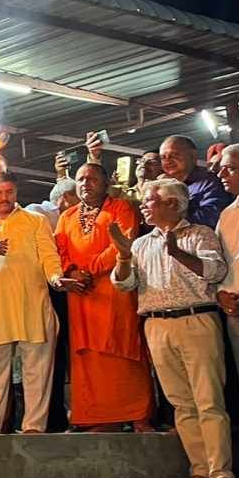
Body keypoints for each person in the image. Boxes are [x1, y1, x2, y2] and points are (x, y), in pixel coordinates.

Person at [111, 179, 238, 478]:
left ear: (172, 204)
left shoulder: (199, 234)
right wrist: (124, 255)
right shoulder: (141, 243)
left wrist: (177, 252)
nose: (144, 206)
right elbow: (124, 284)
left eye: (150, 201)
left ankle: (221, 471)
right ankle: (200, 469)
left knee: (209, 400)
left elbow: (215, 272)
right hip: (156, 325)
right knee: (181, 403)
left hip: (196, 320)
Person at [0, 172, 82, 435]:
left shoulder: (35, 221)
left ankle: (33, 426)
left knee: (37, 371)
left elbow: (49, 257)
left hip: (33, 305)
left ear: (16, 193)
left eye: (9, 192)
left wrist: (56, 279)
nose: (4, 198)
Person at [54, 163, 154, 432]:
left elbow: (123, 243)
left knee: (123, 348)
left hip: (114, 288)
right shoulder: (67, 216)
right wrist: (72, 271)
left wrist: (90, 269)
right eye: (81, 179)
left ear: (106, 181)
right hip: (81, 292)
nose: (86, 183)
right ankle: (98, 417)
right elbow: (60, 249)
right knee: (87, 354)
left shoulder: (121, 208)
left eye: (92, 178)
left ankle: (137, 415)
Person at [212, 145, 239, 404]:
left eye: (230, 168)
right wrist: (220, 293)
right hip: (235, 310)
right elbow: (221, 263)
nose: (221, 173)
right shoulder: (227, 214)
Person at [159, 136, 229, 229]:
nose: (167, 161)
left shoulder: (211, 181)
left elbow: (211, 218)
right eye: (163, 157)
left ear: (193, 156)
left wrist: (169, 217)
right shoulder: (162, 186)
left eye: (174, 155)